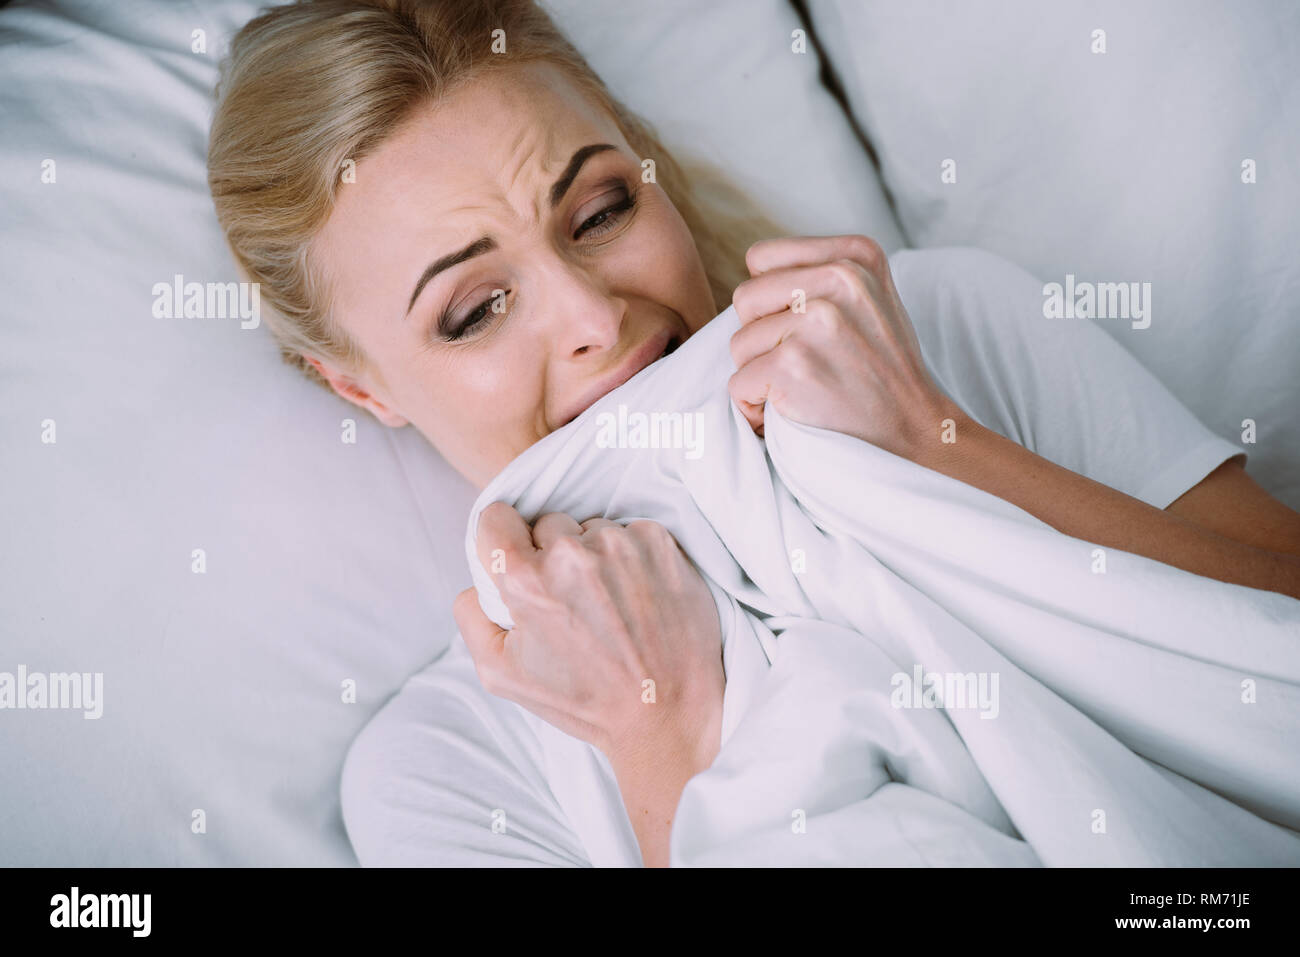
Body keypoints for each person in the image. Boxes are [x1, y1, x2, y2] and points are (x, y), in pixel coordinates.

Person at [207, 0, 1300, 866]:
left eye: (599, 214)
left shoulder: (940, 327)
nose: (595, 320)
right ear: (358, 389)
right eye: (475, 309)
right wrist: (665, 743)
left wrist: (936, 444)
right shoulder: (446, 770)